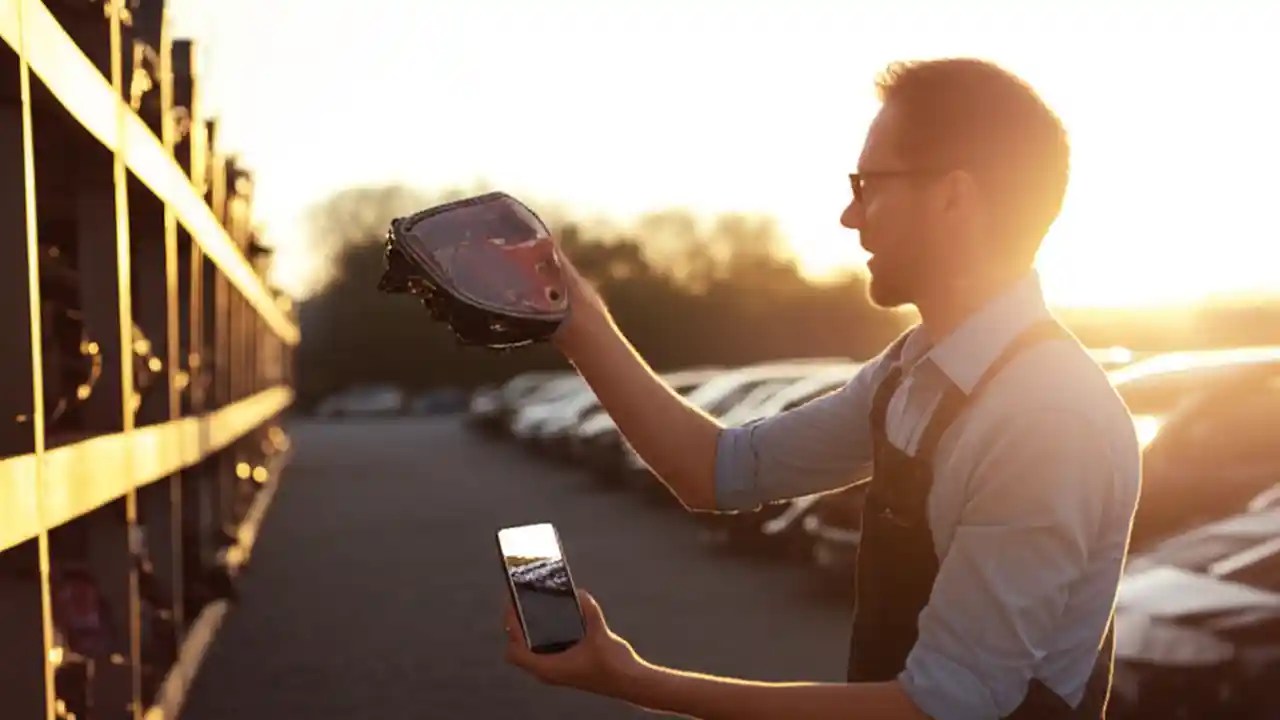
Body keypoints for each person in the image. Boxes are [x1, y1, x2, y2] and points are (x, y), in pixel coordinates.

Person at [503, 57, 1142, 720]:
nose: (848, 216)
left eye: (868, 186)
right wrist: (574, 316)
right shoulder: (913, 370)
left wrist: (630, 680)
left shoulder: (1046, 417)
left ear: (954, 198)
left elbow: (936, 711)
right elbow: (718, 470)